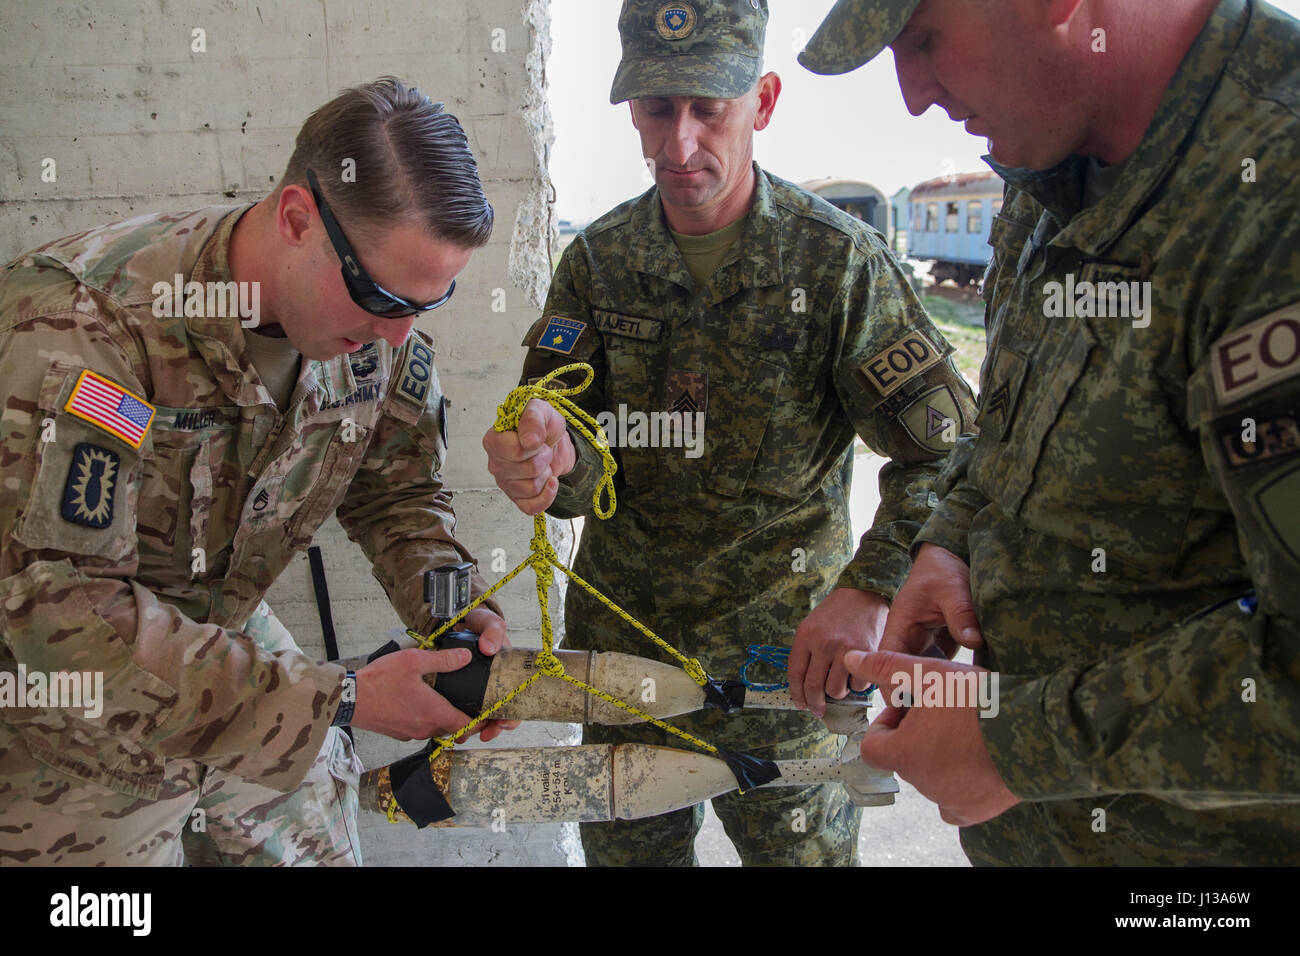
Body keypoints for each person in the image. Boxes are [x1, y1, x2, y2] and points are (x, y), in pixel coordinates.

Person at [800, 0, 1300, 864]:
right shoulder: (1051, 163)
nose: (913, 96)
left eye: (922, 40)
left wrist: (1017, 744)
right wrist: (950, 539)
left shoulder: (1273, 192)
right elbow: (1009, 417)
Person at [483, 0, 976, 866]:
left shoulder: (838, 265)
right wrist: (542, 460)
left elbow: (947, 453)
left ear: (765, 100)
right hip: (625, 665)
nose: (679, 146)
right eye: (656, 108)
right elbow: (571, 456)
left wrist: (870, 588)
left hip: (789, 671)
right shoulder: (597, 262)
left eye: (708, 108)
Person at [0, 76, 517, 866]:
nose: (396, 332)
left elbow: (397, 493)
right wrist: (339, 698)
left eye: (430, 300)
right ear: (298, 219)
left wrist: (450, 613)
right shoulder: (90, 329)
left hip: (230, 646)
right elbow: (64, 616)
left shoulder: (381, 333)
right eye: (380, 293)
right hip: (58, 711)